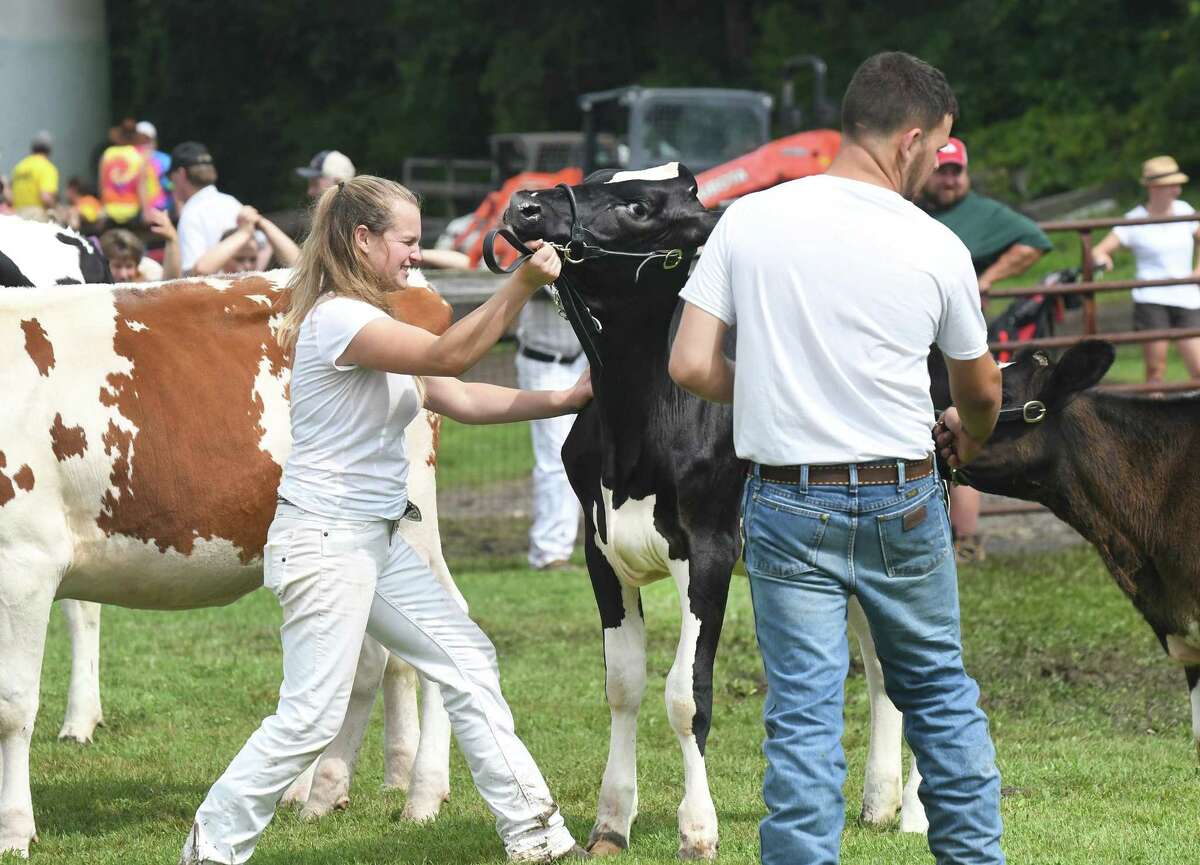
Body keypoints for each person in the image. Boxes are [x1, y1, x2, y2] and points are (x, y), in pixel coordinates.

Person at [179, 175, 590, 865]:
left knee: (466, 659)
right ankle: (209, 849)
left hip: (373, 538)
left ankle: (537, 835)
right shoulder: (340, 319)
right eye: (407, 241)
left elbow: (455, 393)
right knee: (309, 718)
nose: (416, 255)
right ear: (362, 239)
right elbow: (449, 354)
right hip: (326, 544)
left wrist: (566, 398)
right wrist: (519, 285)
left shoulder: (372, 316)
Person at [669, 51, 1004, 865]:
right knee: (940, 699)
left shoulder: (749, 219)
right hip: (902, 495)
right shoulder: (933, 244)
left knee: (804, 716)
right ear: (912, 138)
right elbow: (982, 389)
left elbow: (688, 362)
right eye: (935, 150)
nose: (931, 167)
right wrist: (971, 429)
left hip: (787, 500)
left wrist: (768, 392)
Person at [919, 136, 1053, 563]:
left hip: (958, 341)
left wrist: (986, 280)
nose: (949, 179)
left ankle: (968, 537)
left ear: (966, 172)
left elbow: (1033, 240)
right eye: (941, 170)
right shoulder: (912, 209)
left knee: (960, 427)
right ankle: (936, 531)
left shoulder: (981, 213)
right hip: (914, 341)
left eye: (956, 171)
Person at [1092, 155, 1200, 384]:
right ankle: (1155, 418)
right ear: (1153, 187)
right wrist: (1103, 258)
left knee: (1198, 368)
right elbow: (1100, 249)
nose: (1177, 190)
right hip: (1151, 298)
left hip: (1187, 297)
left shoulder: (1185, 210)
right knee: (1155, 370)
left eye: (1177, 184)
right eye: (1171, 184)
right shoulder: (1134, 219)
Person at [298, 148, 470, 269]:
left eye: (316, 182)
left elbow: (300, 264)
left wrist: (408, 253)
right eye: (407, 242)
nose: (310, 191)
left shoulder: (352, 221)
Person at [514, 292, 586, 569]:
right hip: (543, 362)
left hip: (583, 360)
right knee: (556, 457)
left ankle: (609, 539)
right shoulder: (535, 249)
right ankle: (549, 553)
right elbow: (556, 288)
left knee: (593, 450)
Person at [170, 141, 246, 274]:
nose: (171, 185)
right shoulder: (233, 203)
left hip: (216, 293)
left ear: (180, 174)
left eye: (171, 178)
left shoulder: (191, 214)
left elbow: (193, 275)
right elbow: (264, 247)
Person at [191, 205, 300, 275]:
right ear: (224, 258)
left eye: (253, 259)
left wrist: (262, 223)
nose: (248, 266)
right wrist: (244, 232)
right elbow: (201, 270)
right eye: (239, 259)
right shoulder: (215, 279)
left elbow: (299, 264)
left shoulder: (257, 274)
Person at [100, 208, 181, 282]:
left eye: (129, 266)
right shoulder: (94, 285)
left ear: (137, 266)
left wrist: (172, 239)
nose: (123, 275)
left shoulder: (146, 281)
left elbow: (170, 283)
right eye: (117, 266)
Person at [98, 118, 149, 227]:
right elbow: (141, 186)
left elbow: (102, 185)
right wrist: (146, 211)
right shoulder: (139, 155)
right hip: (132, 211)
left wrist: (102, 206)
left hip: (110, 210)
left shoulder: (108, 154)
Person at [10, 130, 59, 219]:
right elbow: (45, 197)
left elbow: (10, 194)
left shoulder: (19, 167)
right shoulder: (47, 167)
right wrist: (56, 208)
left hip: (17, 215)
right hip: (36, 216)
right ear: (49, 150)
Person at [136, 120, 173, 216]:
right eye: (139, 139)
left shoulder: (164, 159)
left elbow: (172, 185)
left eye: (146, 139)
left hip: (162, 209)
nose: (142, 142)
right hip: (135, 211)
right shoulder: (128, 159)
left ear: (153, 140)